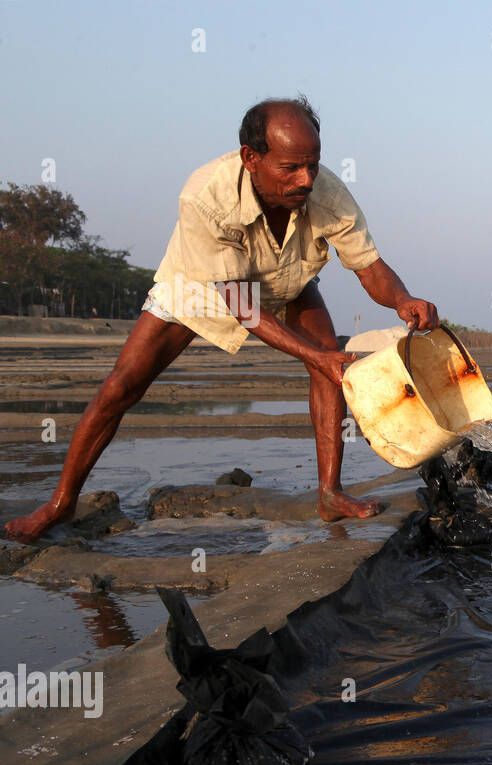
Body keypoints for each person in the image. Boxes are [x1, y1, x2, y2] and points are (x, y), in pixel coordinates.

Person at [5, 96, 438, 544]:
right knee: (121, 388)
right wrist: (316, 355)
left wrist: (403, 299)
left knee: (327, 365)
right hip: (199, 285)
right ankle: (60, 504)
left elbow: (369, 267)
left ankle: (330, 494)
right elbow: (244, 308)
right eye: (290, 167)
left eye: (312, 164)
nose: (306, 179)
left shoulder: (327, 193)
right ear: (252, 158)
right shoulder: (206, 195)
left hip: (287, 274)